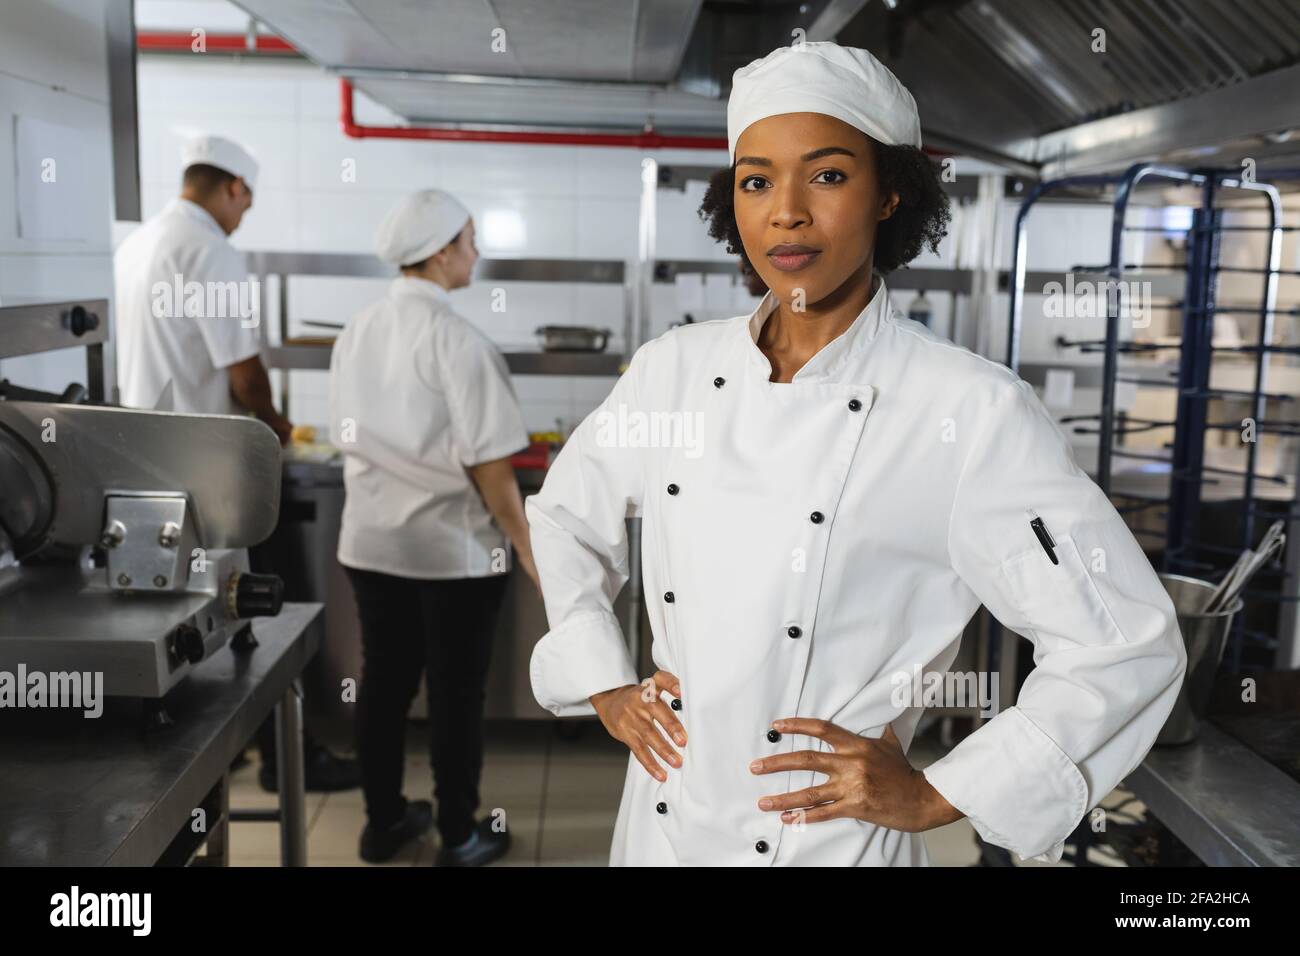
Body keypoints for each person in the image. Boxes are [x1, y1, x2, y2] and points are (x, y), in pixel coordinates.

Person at [526, 41, 1187, 866]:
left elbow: (1125, 638)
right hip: (663, 823)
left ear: (891, 194)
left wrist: (941, 791)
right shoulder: (673, 372)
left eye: (829, 175)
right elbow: (562, 518)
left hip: (827, 844)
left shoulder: (967, 409)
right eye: (756, 180)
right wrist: (605, 680)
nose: (786, 212)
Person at [115, 132, 359, 794]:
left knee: (184, 617)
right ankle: (292, 757)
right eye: (246, 201)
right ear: (231, 188)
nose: (244, 213)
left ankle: (221, 751)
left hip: (143, 467)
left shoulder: (137, 244)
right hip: (213, 471)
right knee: (271, 610)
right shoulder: (210, 252)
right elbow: (245, 373)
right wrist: (278, 431)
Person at [329, 189, 539, 867]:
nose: (476, 252)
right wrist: (537, 557)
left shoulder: (358, 328)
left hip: (371, 544)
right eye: (471, 239)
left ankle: (383, 822)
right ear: (443, 250)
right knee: (455, 695)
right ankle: (458, 833)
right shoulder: (458, 339)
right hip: (455, 556)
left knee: (383, 684)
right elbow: (494, 474)